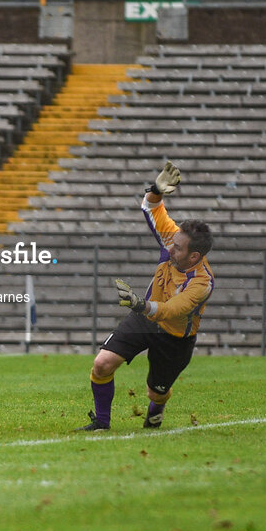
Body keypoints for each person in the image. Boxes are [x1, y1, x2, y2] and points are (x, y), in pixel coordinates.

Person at [75, 161, 214, 431]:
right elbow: (151, 208)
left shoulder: (202, 282)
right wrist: (156, 191)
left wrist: (141, 304)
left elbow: (173, 310)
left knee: (156, 392)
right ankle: (102, 422)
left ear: (194, 256)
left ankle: (157, 409)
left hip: (174, 337)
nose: (170, 248)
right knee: (102, 364)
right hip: (145, 320)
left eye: (178, 248)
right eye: (172, 242)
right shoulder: (174, 240)